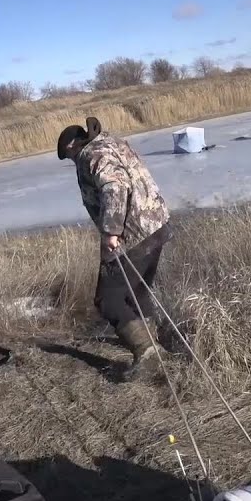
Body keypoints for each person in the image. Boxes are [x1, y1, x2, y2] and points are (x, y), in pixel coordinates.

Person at [57, 117, 172, 380]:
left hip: (132, 234)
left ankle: (147, 353)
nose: (73, 160)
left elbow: (115, 186)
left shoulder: (92, 154)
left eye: (69, 155)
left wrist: (111, 231)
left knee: (107, 299)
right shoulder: (112, 143)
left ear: (73, 145)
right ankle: (154, 344)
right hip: (155, 225)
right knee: (136, 292)